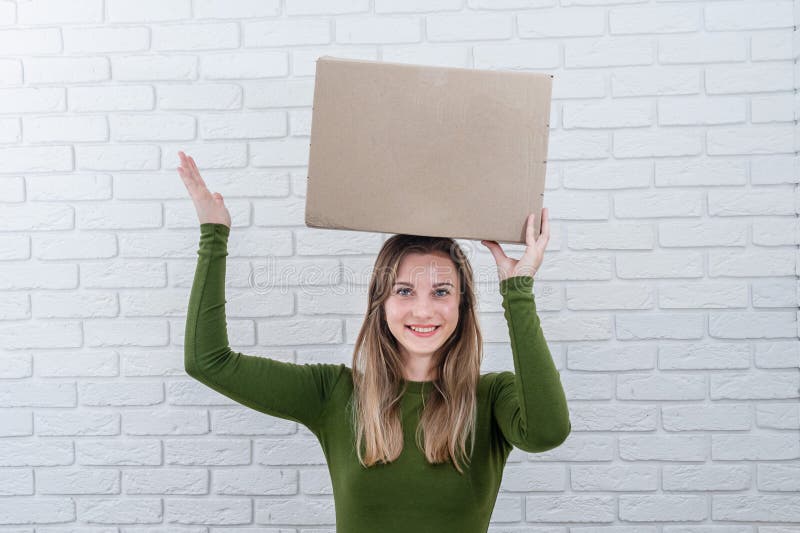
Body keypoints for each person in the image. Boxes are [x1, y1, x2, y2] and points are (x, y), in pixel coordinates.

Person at [178, 151, 571, 533]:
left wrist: (516, 291)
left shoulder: (491, 397)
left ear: (463, 305)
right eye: (404, 291)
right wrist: (215, 234)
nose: (422, 311)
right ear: (380, 305)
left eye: (440, 292)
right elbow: (207, 361)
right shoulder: (335, 393)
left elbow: (548, 432)